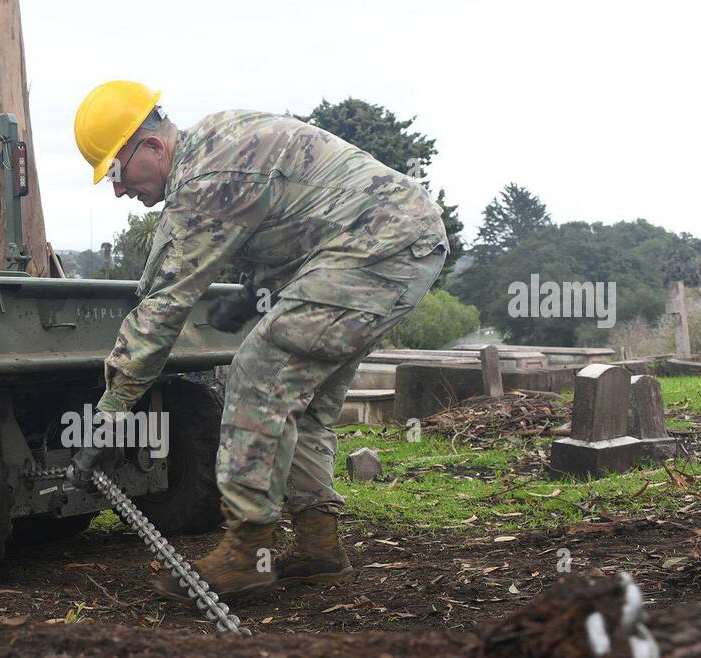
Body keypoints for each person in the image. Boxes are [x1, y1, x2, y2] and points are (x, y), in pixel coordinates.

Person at [68, 81, 448, 604]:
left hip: (379, 245)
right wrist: (257, 294)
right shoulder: (221, 145)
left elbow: (162, 305)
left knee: (257, 372)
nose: (116, 190)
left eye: (115, 171)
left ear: (152, 147)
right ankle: (319, 543)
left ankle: (245, 552)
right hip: (392, 241)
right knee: (301, 399)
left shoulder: (204, 179)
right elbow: (300, 218)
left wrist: (109, 412)